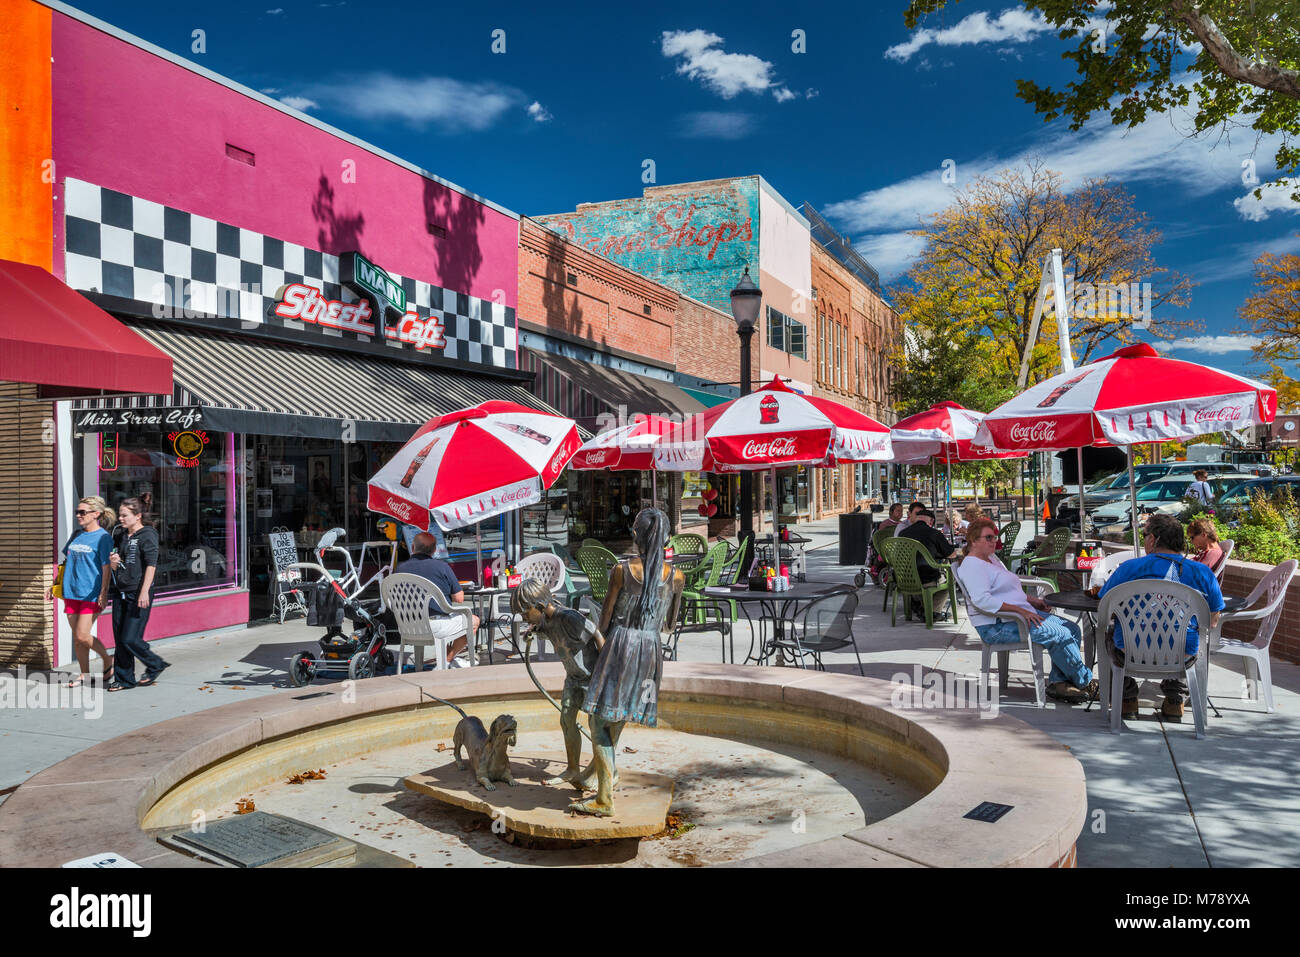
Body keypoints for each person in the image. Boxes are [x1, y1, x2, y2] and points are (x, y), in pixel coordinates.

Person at [574, 507, 684, 817]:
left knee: (597, 719)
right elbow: (669, 626)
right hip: (651, 648)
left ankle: (604, 798)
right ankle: (604, 773)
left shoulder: (622, 571)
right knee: (618, 714)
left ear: (637, 536)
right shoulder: (676, 575)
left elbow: (606, 618)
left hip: (621, 646)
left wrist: (599, 644)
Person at [956, 518, 1097, 702]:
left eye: (995, 537)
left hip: (1017, 617)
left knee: (1072, 629)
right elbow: (983, 600)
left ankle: (1059, 683)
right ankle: (1086, 682)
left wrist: (1033, 601)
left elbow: (1008, 590)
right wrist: (1021, 611)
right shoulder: (972, 565)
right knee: (1060, 634)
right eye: (988, 537)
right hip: (998, 626)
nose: (994, 541)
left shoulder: (991, 559)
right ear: (974, 540)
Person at [1098, 514, 1223, 720]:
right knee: (1188, 635)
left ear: (1153, 539)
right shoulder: (1202, 572)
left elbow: (1104, 608)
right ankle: (1175, 701)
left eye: (1144, 534)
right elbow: (1212, 620)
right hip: (1183, 655)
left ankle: (1127, 699)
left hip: (1129, 651)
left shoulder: (1129, 569)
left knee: (1108, 631)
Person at [511, 578, 605, 786]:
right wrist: (534, 631)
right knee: (566, 720)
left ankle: (603, 772)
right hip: (573, 678)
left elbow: (596, 634)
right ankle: (572, 769)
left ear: (541, 606)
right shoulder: (546, 621)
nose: (526, 618)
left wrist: (606, 670)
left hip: (591, 678)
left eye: (527, 614)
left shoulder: (569, 617)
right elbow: (547, 631)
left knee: (596, 726)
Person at [46, 496, 115, 688]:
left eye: (82, 512)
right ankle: (84, 674)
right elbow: (66, 563)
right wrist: (54, 585)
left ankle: (108, 659)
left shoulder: (103, 538)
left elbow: (106, 567)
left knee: (83, 635)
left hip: (90, 593)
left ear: (96, 514)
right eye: (77, 512)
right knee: (77, 637)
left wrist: (103, 592)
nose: (78, 515)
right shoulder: (77, 534)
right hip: (70, 591)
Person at [106, 498, 169, 690]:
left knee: (130, 638)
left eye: (125, 515)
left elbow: (151, 565)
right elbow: (117, 562)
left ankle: (156, 664)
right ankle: (124, 679)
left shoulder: (148, 534)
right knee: (120, 639)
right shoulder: (120, 535)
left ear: (138, 516)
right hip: (120, 592)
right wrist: (114, 562)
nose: (120, 518)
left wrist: (144, 592)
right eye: (120, 514)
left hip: (138, 593)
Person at [394, 532, 479, 667]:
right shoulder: (442, 567)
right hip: (436, 626)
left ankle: (442, 660)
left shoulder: (399, 569)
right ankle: (447, 660)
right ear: (434, 550)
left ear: (412, 547)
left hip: (408, 626)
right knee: (473, 621)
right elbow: (459, 598)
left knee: (448, 617)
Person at [899, 508, 960, 618]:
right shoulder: (934, 533)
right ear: (931, 521)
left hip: (905, 578)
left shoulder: (902, 533)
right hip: (927, 579)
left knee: (929, 575)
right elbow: (952, 555)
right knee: (952, 577)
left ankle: (922, 607)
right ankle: (933, 612)